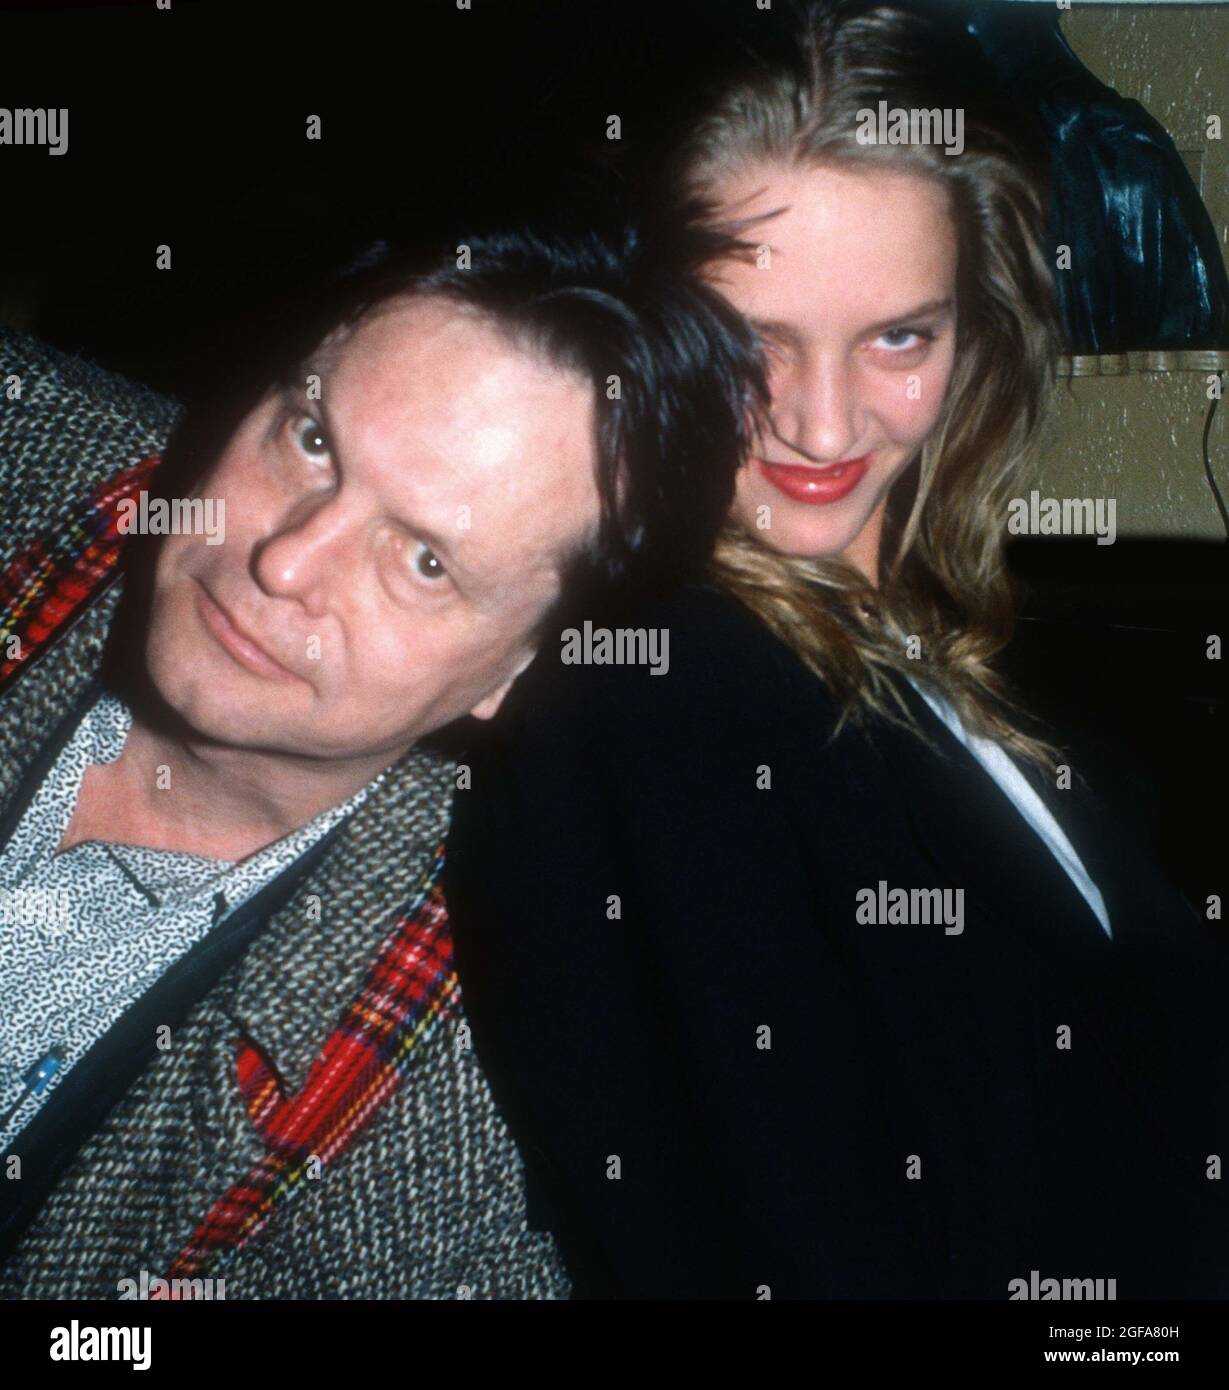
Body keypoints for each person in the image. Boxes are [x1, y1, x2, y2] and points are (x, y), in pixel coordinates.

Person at [444, 0, 1229, 1299]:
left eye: (898, 337)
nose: (821, 424)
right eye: (752, 343)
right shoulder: (655, 686)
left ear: (976, 331)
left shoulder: (928, 643)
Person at [0, 190, 763, 1298]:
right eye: (312, 440)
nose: (286, 563)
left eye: (424, 563)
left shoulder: (460, 1159)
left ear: (516, 669)